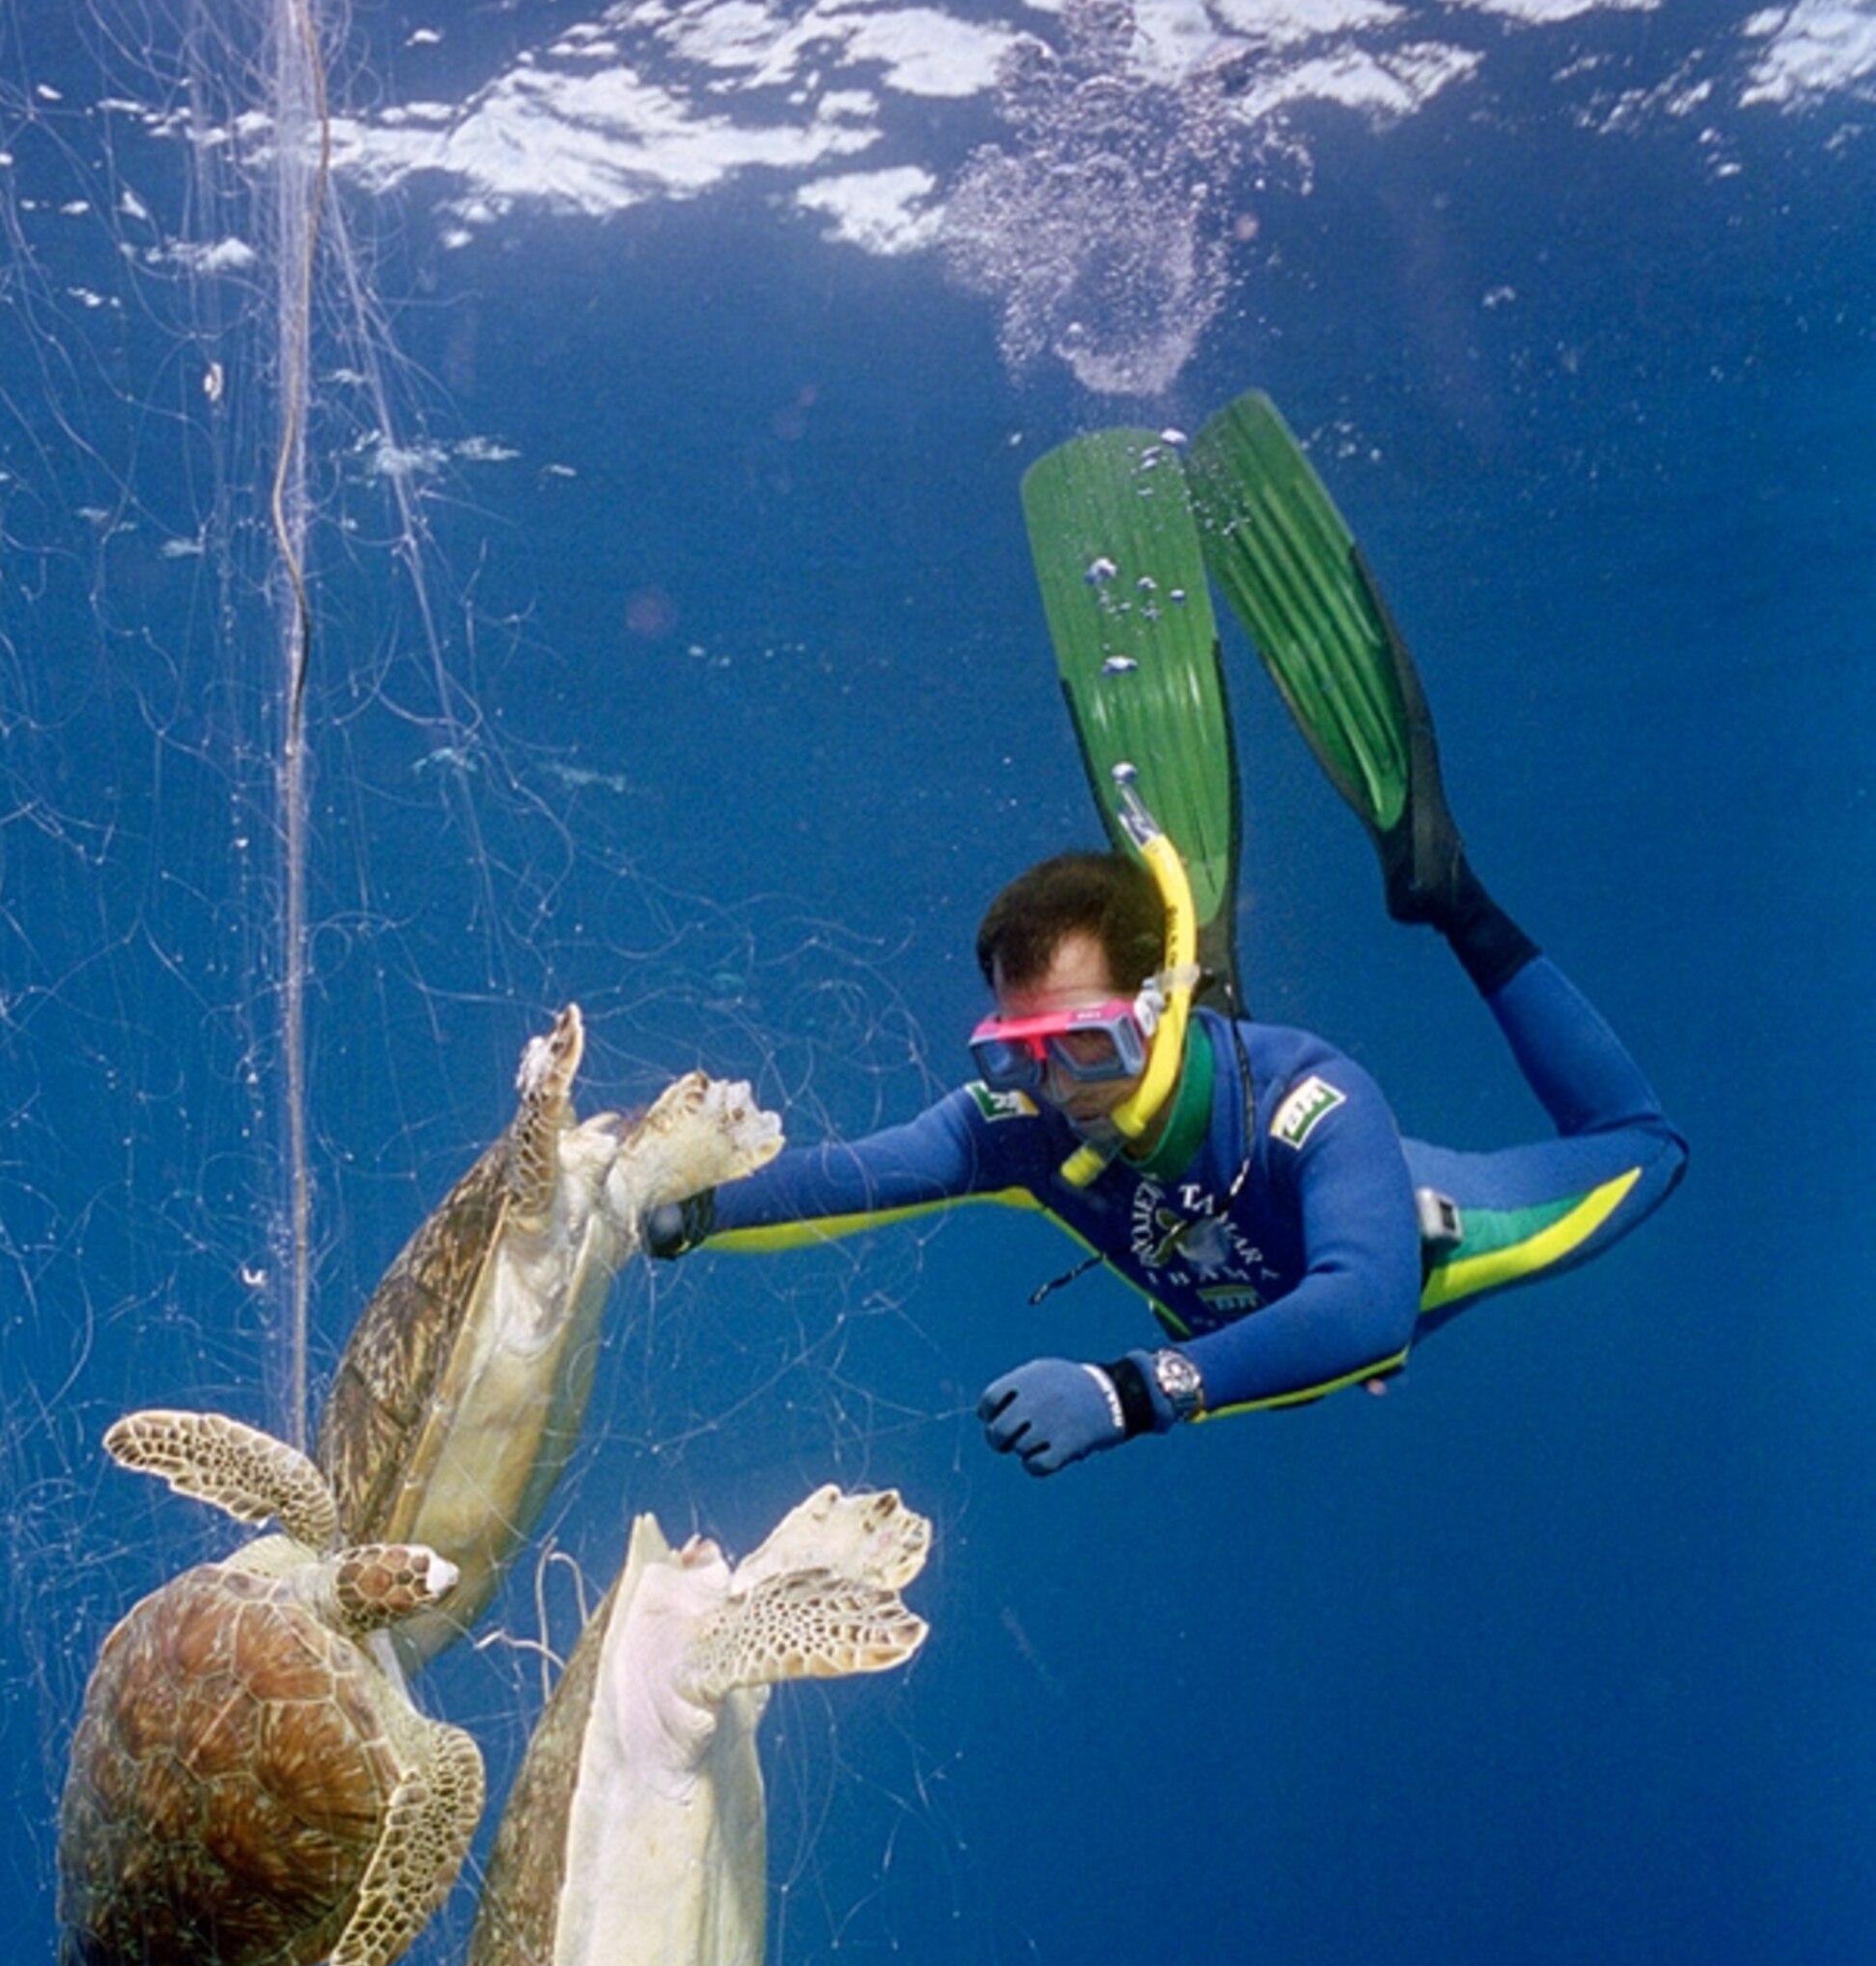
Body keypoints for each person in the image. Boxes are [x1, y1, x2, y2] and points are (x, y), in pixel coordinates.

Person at [642, 396, 1685, 1474]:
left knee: (1646, 1151)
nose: (1054, 1084)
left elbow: (1368, 1310)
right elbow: (855, 1173)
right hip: (1231, 1188)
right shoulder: (1026, 1122)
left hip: (1413, 1235)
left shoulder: (1311, 1107)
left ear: (1149, 1009)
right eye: (1015, 1052)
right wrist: (672, 1214)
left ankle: (1448, 893)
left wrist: (1135, 1389)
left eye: (1084, 1044)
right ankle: (1207, 987)